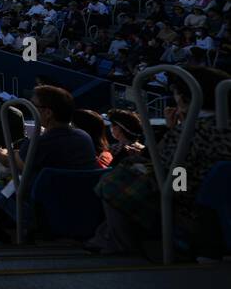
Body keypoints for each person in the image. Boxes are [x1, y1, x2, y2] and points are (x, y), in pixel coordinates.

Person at [90, 65, 231, 256]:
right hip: (217, 200)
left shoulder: (191, 129)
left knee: (113, 182)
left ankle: (120, 244)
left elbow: (172, 172)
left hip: (188, 200)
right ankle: (105, 237)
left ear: (184, 96)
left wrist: (172, 131)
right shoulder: (220, 125)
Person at [0, 84, 97, 240]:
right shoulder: (84, 138)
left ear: (48, 112)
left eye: (34, 106)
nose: (31, 110)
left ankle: (0, 236)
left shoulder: (40, 143)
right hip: (76, 211)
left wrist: (2, 156)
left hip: (34, 210)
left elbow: (17, 163)